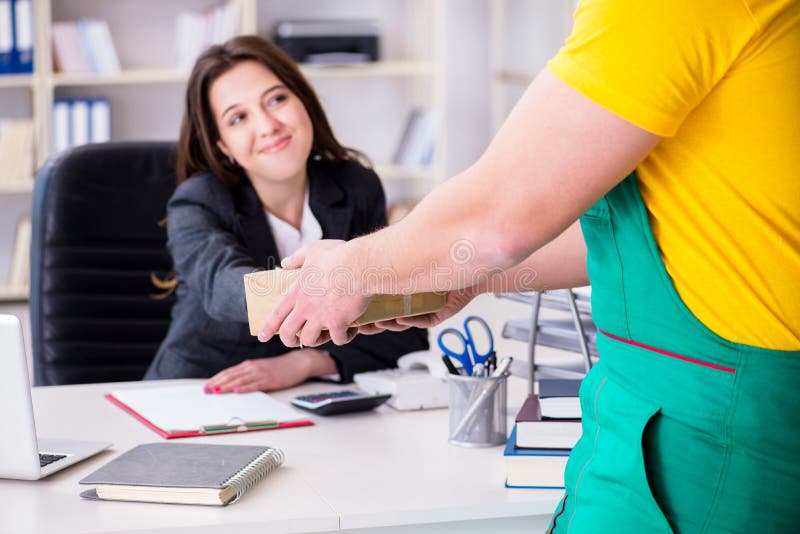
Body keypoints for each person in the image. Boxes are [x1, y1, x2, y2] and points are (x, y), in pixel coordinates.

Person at [260, 1, 800, 532]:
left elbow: (501, 212)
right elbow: (630, 237)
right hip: (678, 419)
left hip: (709, 442)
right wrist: (466, 276)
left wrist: (355, 270)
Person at [143, 35, 428, 393]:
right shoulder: (198, 202)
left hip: (309, 395)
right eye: (238, 118)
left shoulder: (356, 186)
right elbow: (227, 291)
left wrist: (306, 362)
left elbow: (403, 331)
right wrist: (353, 274)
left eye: (276, 99)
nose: (267, 126)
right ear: (223, 146)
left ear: (303, 101)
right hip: (201, 390)